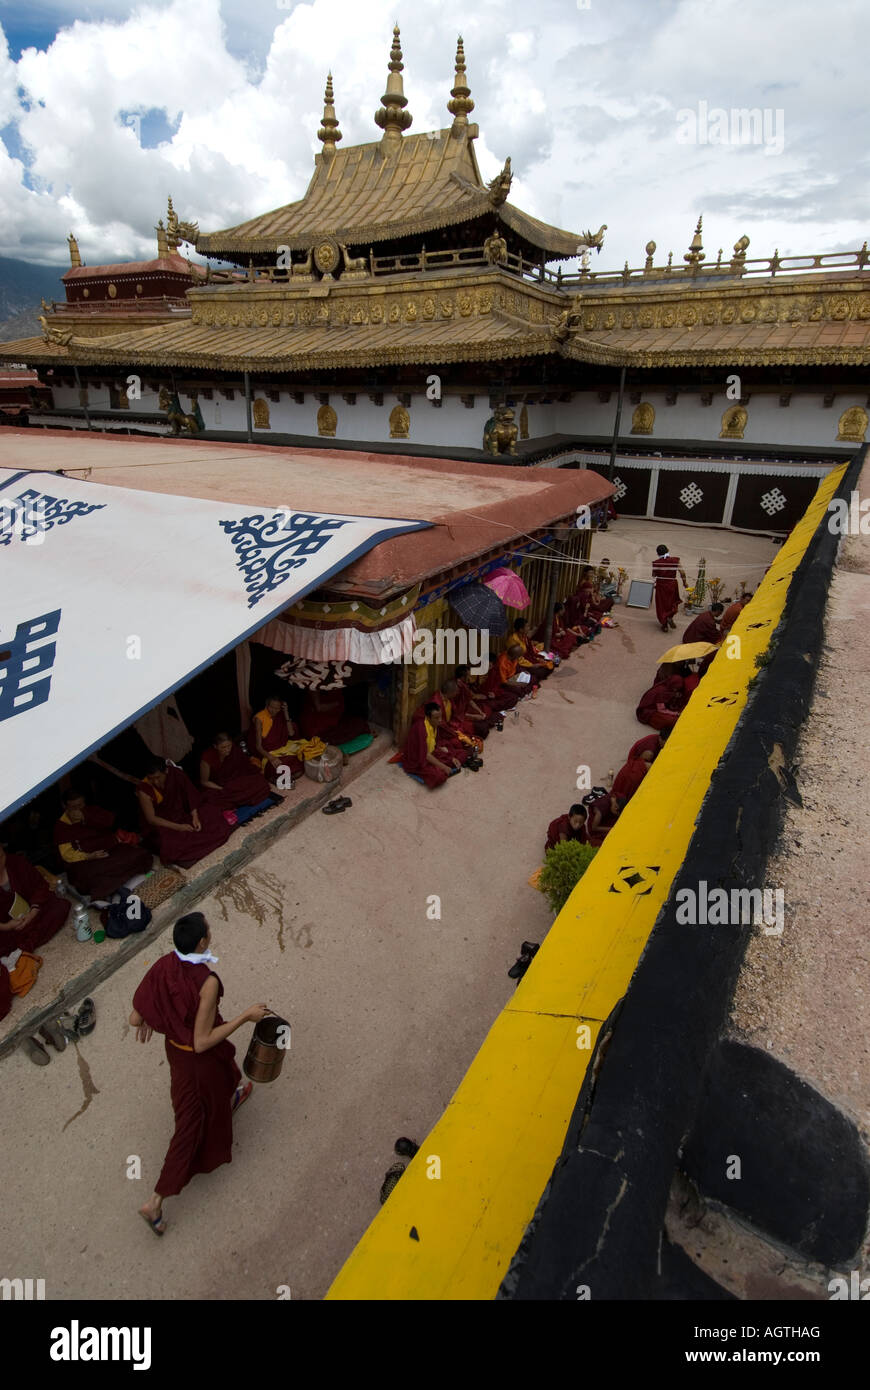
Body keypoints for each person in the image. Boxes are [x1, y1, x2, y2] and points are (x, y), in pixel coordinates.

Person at [129, 912, 271, 1235]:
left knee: (225, 1072)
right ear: (202, 942)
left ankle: (230, 1099)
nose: (210, 932)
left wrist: (157, 1016)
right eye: (208, 930)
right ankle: (155, 1202)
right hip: (196, 1064)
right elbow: (203, 1041)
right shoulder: (207, 983)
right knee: (188, 1128)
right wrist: (245, 1017)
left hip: (178, 1055)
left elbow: (136, 1019)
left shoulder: (165, 963)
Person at [53, 791, 152, 901]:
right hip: (85, 860)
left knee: (139, 854)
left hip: (108, 849)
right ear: (65, 806)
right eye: (74, 807)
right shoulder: (61, 826)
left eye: (80, 805)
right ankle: (116, 890)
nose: (78, 809)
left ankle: (120, 887)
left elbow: (109, 822)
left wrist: (87, 817)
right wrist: (89, 856)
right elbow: (67, 854)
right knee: (93, 879)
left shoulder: (90, 811)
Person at [136, 760, 233, 869]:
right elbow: (151, 819)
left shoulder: (175, 774)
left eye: (158, 777)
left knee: (211, 811)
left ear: (166, 771)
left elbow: (190, 794)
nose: (155, 782)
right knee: (170, 843)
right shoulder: (144, 790)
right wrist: (179, 827)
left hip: (182, 813)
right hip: (163, 824)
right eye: (151, 778)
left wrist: (195, 817)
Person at [0, 845, 71, 952]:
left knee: (60, 906)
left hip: (33, 912)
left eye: (1, 857)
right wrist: (7, 926)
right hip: (9, 927)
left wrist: (33, 912)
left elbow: (40, 886)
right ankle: (24, 945)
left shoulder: (16, 862)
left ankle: (21, 947)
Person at [199, 733, 277, 812]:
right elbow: (204, 782)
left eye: (229, 746)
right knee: (212, 801)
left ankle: (238, 800)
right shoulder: (207, 758)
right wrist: (221, 789)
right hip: (217, 785)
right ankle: (239, 800)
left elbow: (244, 767)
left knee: (260, 781)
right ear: (215, 746)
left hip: (234, 779)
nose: (227, 749)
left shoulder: (234, 750)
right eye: (223, 747)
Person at [396, 703, 462, 787]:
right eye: (436, 718)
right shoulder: (421, 728)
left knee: (460, 756)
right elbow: (425, 755)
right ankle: (438, 770)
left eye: (440, 717)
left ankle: (442, 766)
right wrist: (443, 767)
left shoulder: (434, 724)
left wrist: (451, 758)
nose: (440, 720)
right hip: (418, 759)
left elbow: (435, 744)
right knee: (439, 777)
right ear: (428, 717)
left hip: (432, 752)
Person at [249, 694, 305, 784]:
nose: (274, 711)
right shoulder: (260, 718)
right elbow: (258, 746)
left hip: (281, 747)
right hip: (266, 750)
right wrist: (271, 758)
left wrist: (286, 713)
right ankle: (279, 777)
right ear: (266, 706)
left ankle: (283, 778)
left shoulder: (280, 715)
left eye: (277, 708)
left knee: (299, 764)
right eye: (271, 707)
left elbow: (291, 733)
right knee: (278, 767)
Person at [432, 681, 484, 764]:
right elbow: (439, 725)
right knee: (458, 744)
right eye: (456, 692)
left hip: (450, 726)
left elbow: (456, 714)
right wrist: (453, 732)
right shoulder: (436, 703)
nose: (457, 693)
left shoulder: (448, 700)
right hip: (441, 733)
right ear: (450, 692)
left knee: (468, 733)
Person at [297, 688, 370, 746]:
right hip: (318, 732)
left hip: (331, 723)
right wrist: (336, 703)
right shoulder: (315, 689)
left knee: (358, 723)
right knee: (358, 724)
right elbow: (319, 708)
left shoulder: (336, 687)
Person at [480, 642, 531, 710]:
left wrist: (496, 693)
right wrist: (492, 694)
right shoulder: (480, 673)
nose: (489, 667)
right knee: (512, 696)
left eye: (491, 665)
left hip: (499, 688)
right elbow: (481, 688)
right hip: (488, 693)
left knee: (513, 697)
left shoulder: (493, 671)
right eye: (488, 665)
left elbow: (497, 684)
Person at [452, 665, 501, 736]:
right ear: (462, 677)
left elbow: (470, 701)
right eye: (468, 676)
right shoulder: (455, 689)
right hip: (459, 718)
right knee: (482, 728)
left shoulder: (464, 685)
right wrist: (474, 716)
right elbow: (456, 714)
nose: (470, 678)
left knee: (489, 711)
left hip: (466, 710)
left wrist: (480, 712)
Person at [652, 545, 687, 632]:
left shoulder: (656, 563)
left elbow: (654, 575)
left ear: (657, 553)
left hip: (661, 586)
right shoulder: (675, 560)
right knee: (672, 602)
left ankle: (665, 626)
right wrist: (685, 583)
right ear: (668, 550)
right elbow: (682, 573)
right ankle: (670, 616)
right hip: (672, 585)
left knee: (662, 604)